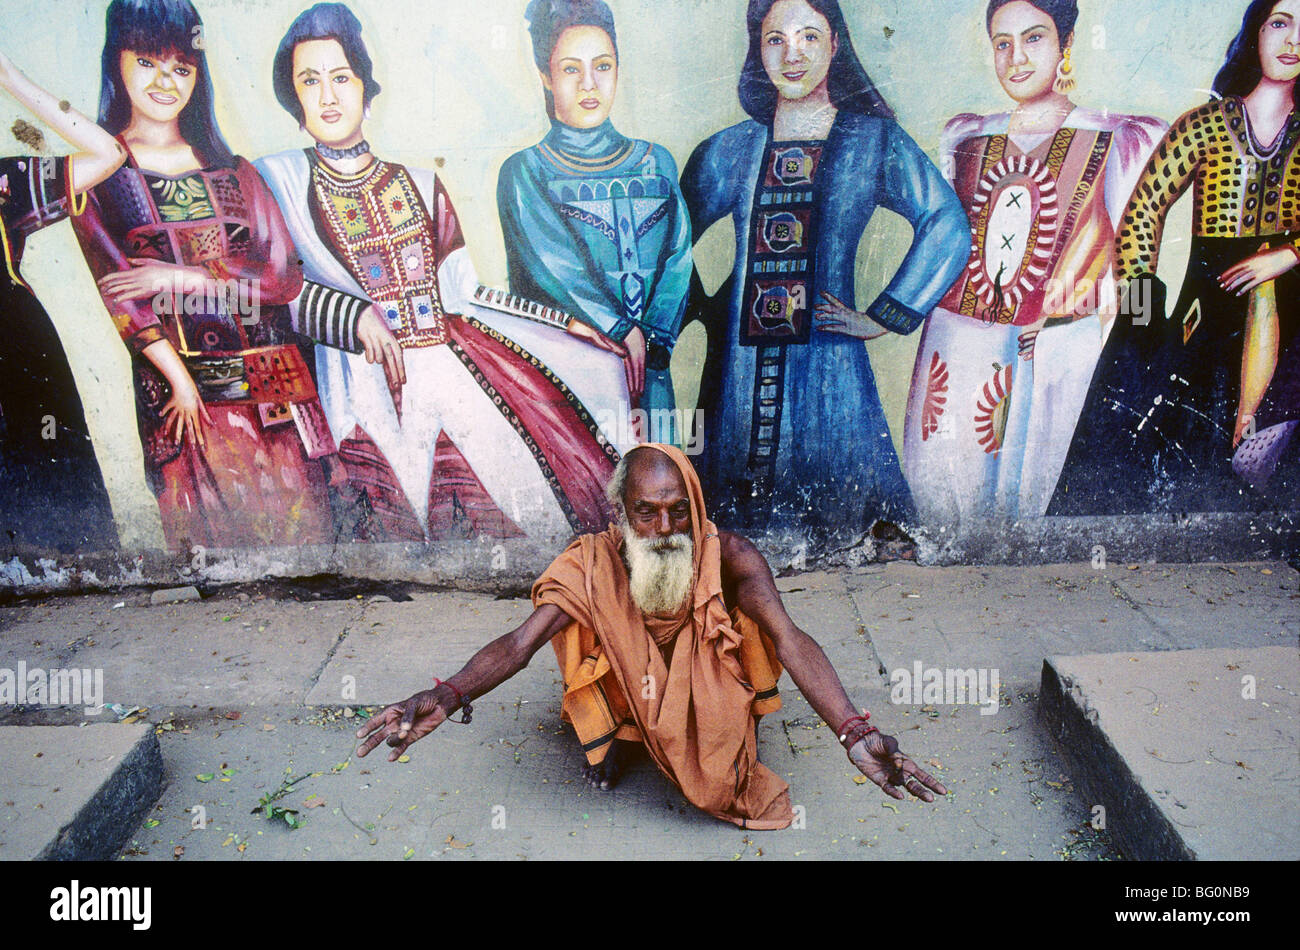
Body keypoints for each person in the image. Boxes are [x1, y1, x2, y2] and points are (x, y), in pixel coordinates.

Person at [356, 444, 948, 830]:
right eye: (646, 513)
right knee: (573, 627)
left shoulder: (731, 556)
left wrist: (854, 729)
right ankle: (612, 734)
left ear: (694, 505)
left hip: (709, 684)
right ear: (621, 512)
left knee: (756, 635)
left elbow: (792, 640)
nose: (665, 530)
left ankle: (722, 727)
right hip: (623, 685)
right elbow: (518, 644)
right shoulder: (594, 563)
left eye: (678, 511)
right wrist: (447, 693)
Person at [256, 3, 621, 543]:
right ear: (293, 97)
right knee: (384, 532)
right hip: (351, 386)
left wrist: (561, 325)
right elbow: (269, 289)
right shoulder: (277, 179)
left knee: (481, 518)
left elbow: (464, 294)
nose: (329, 96)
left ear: (365, 87)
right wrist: (355, 318)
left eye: (341, 77)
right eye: (310, 81)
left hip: (445, 379)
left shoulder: (423, 184)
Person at [680, 0, 968, 543]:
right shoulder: (729, 150)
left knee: (857, 524)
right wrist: (706, 307)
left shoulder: (872, 142)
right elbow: (670, 241)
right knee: (729, 529)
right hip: (736, 375)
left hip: (831, 364)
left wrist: (884, 315)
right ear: (756, 47)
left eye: (809, 37)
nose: (793, 55)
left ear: (835, 44)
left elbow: (946, 222)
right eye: (775, 40)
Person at [65, 0, 335, 550]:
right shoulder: (101, 179)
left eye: (181, 67)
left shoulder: (234, 170)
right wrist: (179, 380)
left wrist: (179, 278)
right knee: (213, 561)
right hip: (184, 397)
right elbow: (120, 294)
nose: (166, 82)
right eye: (147, 62)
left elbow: (281, 276)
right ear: (115, 63)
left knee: (307, 558)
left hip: (276, 394)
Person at [902, 0, 1165, 523]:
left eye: (1034, 38)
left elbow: (1131, 259)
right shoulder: (967, 136)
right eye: (1003, 43)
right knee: (948, 492)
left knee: (1034, 496)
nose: (1016, 57)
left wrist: (1080, 322)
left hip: (1051, 349)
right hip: (958, 341)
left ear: (1066, 45)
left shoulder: (1118, 137)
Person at [1050, 0, 1300, 514]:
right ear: (1256, 32)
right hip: (1207, 307)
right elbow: (1143, 211)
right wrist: (1143, 312)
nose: (1292, 41)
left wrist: (1288, 256)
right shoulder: (1206, 124)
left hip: (1290, 311)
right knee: (1158, 403)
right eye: (1280, 23)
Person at [497, 0, 694, 444]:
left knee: (659, 480)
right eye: (570, 69)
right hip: (566, 373)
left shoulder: (655, 162)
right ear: (546, 77)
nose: (589, 84)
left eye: (602, 66)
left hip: (651, 369)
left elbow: (679, 258)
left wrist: (652, 338)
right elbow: (555, 266)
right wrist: (622, 331)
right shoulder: (526, 171)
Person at [0, 50, 121, 551]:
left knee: (48, 471)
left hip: (17, 356)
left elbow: (107, 154)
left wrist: (11, 78)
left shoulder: (6, 181)